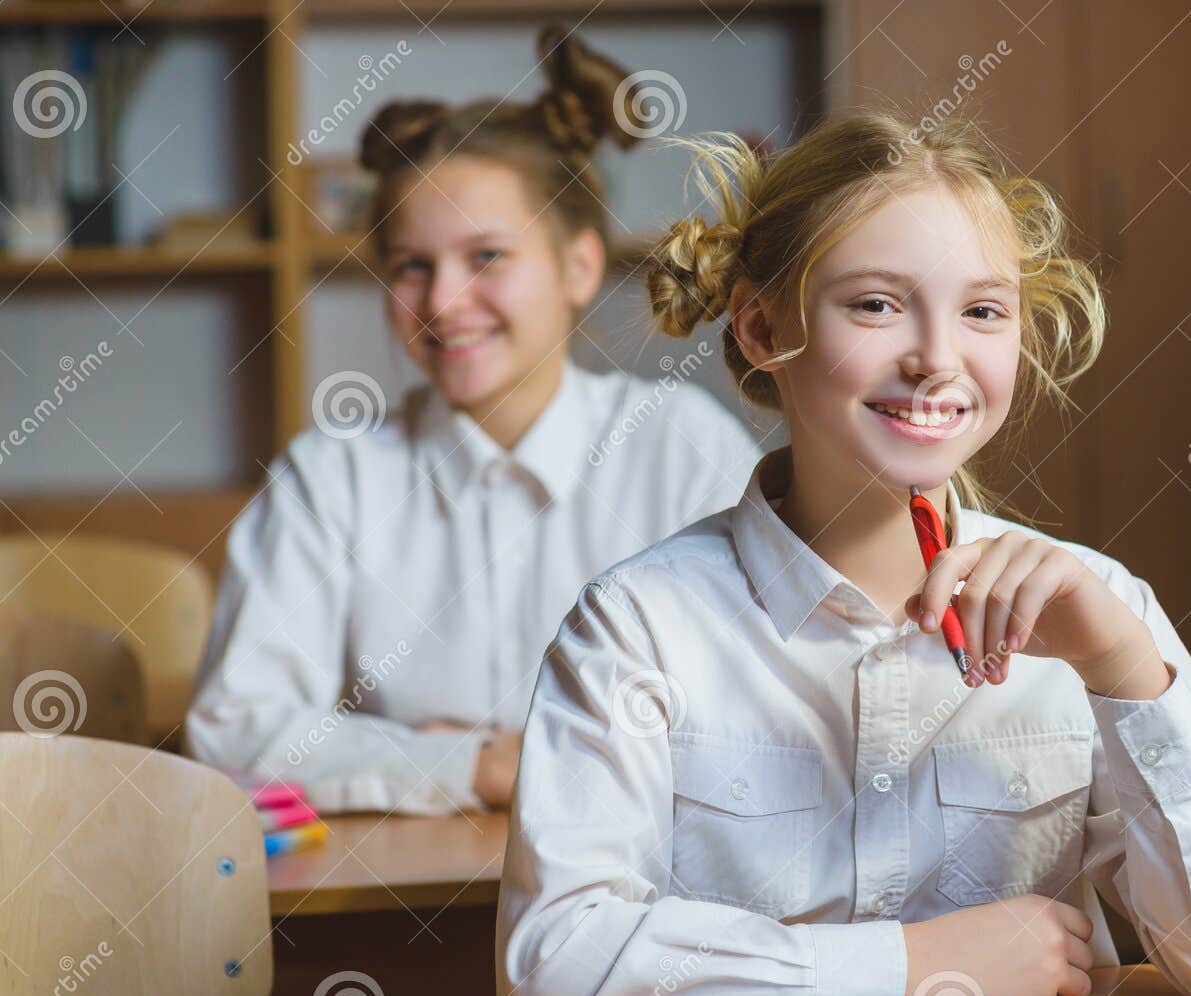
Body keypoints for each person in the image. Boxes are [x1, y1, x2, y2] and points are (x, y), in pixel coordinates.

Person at [496, 111, 1191, 996]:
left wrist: (1125, 670)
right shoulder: (638, 625)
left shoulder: (1098, 609)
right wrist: (914, 966)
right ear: (763, 327)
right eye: (876, 304)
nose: (937, 358)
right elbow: (554, 970)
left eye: (984, 311)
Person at [185, 27, 761, 815]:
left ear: (579, 266)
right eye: (412, 267)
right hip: (397, 905)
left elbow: (758, 707)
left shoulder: (680, 448)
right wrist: (470, 762)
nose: (444, 302)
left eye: (487, 256)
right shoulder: (333, 474)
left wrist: (419, 757)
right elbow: (234, 729)